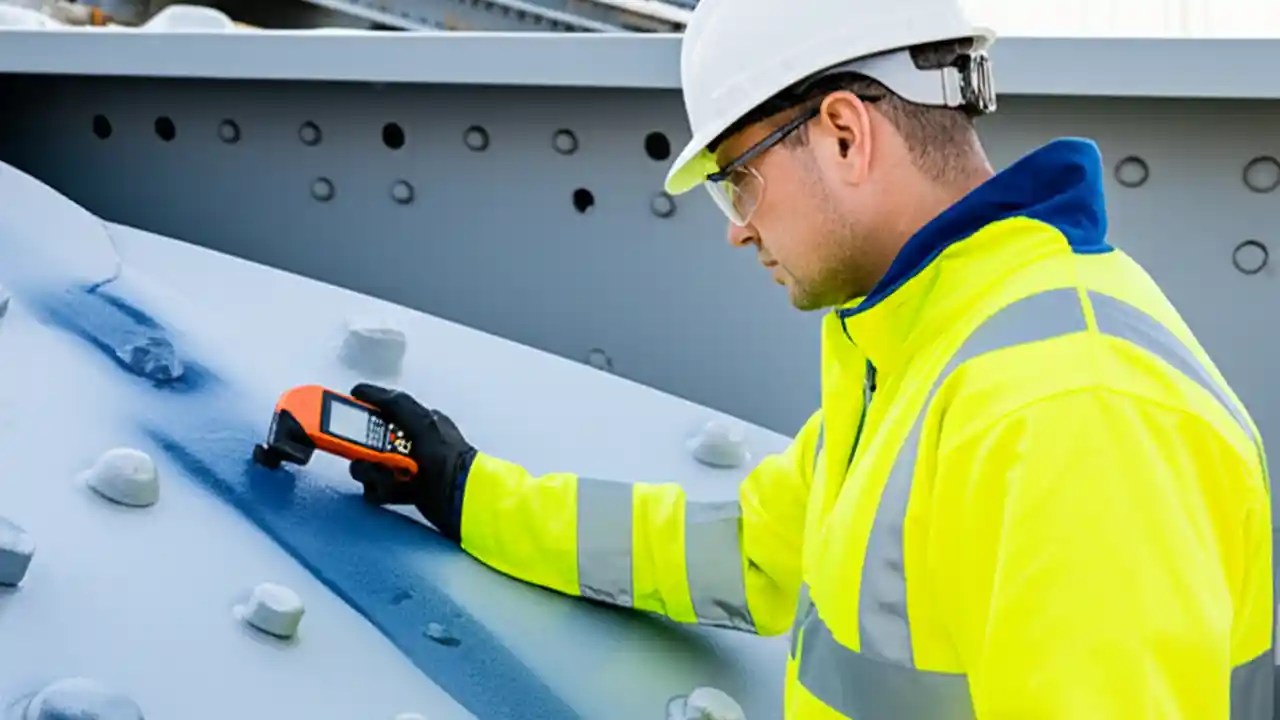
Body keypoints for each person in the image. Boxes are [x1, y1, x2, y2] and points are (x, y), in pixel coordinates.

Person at [348, 0, 1276, 716]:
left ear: (844, 132)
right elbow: (749, 550)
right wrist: (467, 489)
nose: (739, 229)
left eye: (737, 181)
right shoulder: (931, 339)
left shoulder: (1070, 410)